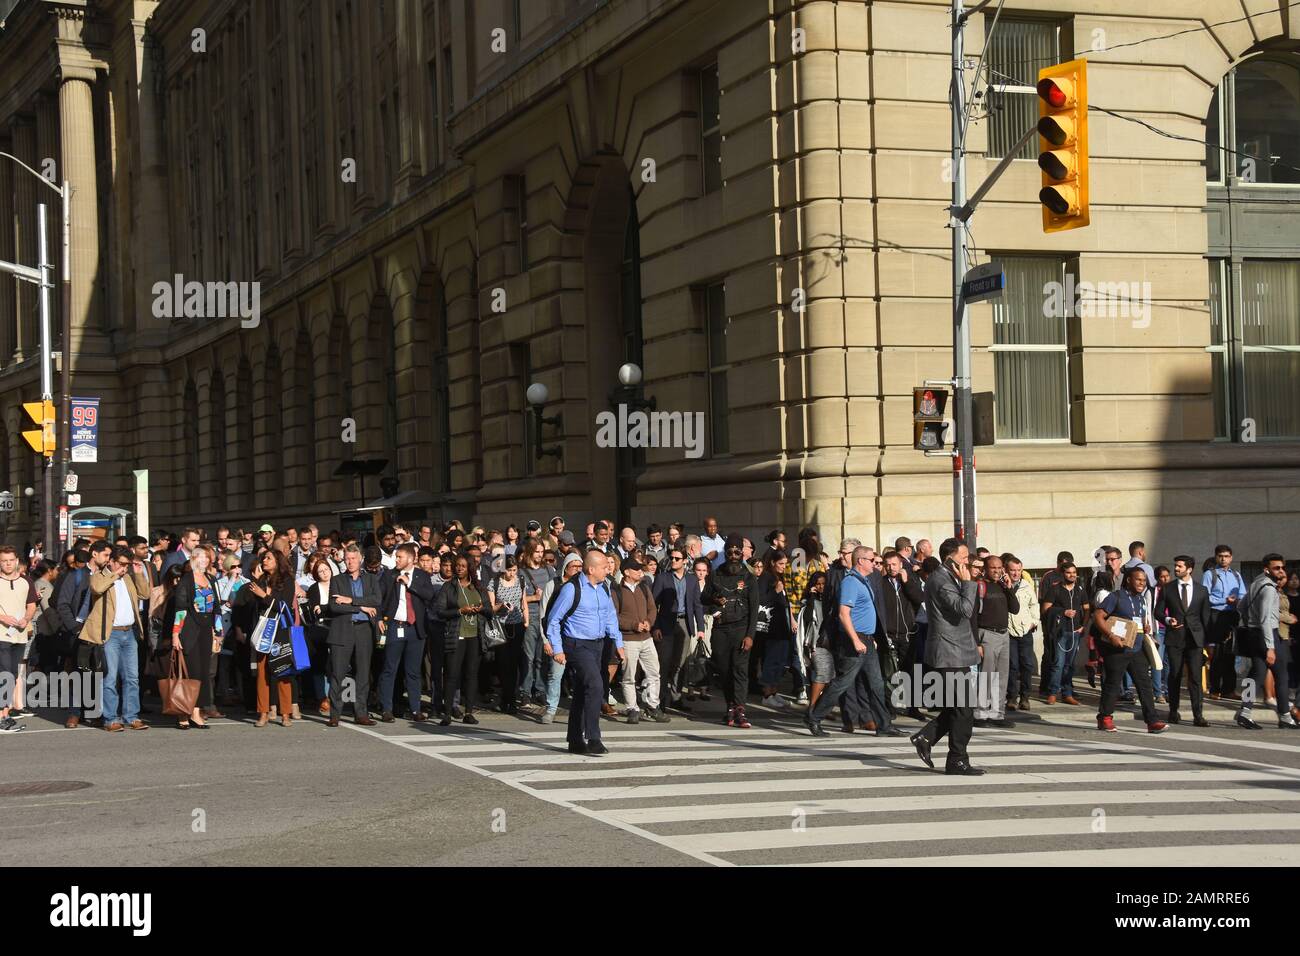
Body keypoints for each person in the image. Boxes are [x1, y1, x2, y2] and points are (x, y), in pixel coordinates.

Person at [807, 546, 902, 738]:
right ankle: (814, 717)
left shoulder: (863, 581)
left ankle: (884, 725)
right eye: (871, 560)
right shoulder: (851, 582)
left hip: (866, 640)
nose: (875, 564)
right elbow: (844, 614)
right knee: (842, 683)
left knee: (876, 684)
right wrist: (856, 640)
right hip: (854, 641)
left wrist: (871, 638)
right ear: (861, 561)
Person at [909, 538, 983, 775]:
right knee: (964, 708)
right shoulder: (942, 581)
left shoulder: (948, 578)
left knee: (958, 706)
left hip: (956, 650)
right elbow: (965, 609)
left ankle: (926, 737)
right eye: (963, 557)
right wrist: (968, 584)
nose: (967, 562)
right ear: (951, 559)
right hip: (949, 651)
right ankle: (957, 759)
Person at [545, 549, 625, 754]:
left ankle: (574, 740)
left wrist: (618, 642)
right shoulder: (571, 589)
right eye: (604, 567)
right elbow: (553, 620)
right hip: (576, 644)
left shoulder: (603, 588)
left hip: (597, 644)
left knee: (583, 691)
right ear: (591, 569)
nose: (608, 570)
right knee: (596, 686)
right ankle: (593, 737)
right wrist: (557, 648)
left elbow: (609, 616)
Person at [1092, 566, 1167, 734]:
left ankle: (1152, 721)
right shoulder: (1116, 597)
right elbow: (1098, 616)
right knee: (1113, 683)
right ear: (1128, 580)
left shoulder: (1142, 599)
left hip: (1138, 648)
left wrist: (1145, 626)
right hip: (1117, 648)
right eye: (1138, 580)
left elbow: (1136, 621)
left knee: (1144, 685)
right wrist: (1111, 636)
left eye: (1144, 580)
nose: (1142, 583)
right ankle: (1104, 718)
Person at [235, 548, 299, 727]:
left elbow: (284, 606)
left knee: (282, 672)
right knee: (262, 673)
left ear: (277, 561)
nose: (264, 561)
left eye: (268, 558)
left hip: (280, 630)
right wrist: (256, 584)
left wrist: (264, 595)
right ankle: (263, 712)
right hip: (263, 631)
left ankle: (285, 713)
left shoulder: (287, 581)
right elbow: (249, 603)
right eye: (263, 558)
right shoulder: (261, 580)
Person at [701, 537, 758, 728]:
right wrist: (715, 599)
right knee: (724, 671)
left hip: (741, 628)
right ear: (725, 553)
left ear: (742, 554)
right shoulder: (716, 574)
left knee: (740, 670)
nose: (734, 556)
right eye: (730, 552)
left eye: (737, 552)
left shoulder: (749, 577)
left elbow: (754, 607)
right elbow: (704, 597)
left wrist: (750, 635)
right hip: (721, 628)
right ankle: (730, 707)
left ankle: (740, 709)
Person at [162, 546, 221, 729]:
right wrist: (175, 634)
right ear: (193, 559)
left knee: (203, 672)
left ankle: (196, 711)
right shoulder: (186, 581)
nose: (204, 561)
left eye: (206, 558)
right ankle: (183, 712)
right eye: (200, 557)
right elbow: (180, 609)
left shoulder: (211, 579)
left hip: (205, 630)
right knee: (189, 671)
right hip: (189, 630)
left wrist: (218, 633)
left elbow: (216, 608)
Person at [377, 542, 437, 722]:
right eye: (396, 557)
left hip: (415, 629)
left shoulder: (421, 576)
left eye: (400, 557)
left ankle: (415, 709)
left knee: (413, 671)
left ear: (411, 559)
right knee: (390, 669)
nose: (396, 560)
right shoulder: (389, 575)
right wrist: (379, 618)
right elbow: (379, 598)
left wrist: (409, 583)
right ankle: (386, 708)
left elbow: (429, 596)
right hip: (395, 626)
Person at [1234, 553, 1294, 730]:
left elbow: (1241, 606)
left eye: (1282, 567)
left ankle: (1245, 712)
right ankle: (1285, 716)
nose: (1281, 571)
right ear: (1266, 569)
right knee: (1282, 675)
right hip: (1268, 635)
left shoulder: (1256, 583)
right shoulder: (1268, 588)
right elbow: (1266, 620)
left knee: (1255, 675)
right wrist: (1270, 647)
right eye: (1277, 568)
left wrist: (1249, 621)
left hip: (1254, 635)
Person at [324, 545, 381, 727]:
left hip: (364, 629)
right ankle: (335, 714)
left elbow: (376, 600)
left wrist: (352, 601)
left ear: (360, 559)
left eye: (353, 559)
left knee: (363, 674)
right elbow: (334, 606)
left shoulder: (371, 579)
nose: (350, 562)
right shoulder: (337, 580)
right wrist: (360, 607)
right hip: (342, 630)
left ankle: (361, 713)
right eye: (347, 559)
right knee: (338, 673)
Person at [1155, 555, 1211, 727]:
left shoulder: (1202, 590)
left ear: (1189, 569)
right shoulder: (1168, 588)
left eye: (1179, 566)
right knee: (1175, 675)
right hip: (1175, 638)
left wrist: (1205, 641)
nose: (1176, 569)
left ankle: (1198, 715)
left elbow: (1206, 617)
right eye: (1176, 566)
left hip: (1195, 640)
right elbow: (1157, 612)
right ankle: (1173, 711)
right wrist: (1167, 620)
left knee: (1195, 677)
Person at [435, 554, 491, 726]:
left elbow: (489, 611)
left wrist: (481, 609)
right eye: (457, 565)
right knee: (452, 674)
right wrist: (460, 611)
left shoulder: (478, 587)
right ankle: (447, 713)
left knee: (471, 675)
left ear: (469, 569)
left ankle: (469, 712)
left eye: (463, 566)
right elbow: (440, 611)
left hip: (475, 635)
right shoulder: (448, 587)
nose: (459, 568)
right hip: (456, 635)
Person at [613, 557, 669, 723]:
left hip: (646, 638)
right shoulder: (616, 591)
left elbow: (652, 608)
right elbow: (614, 617)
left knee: (654, 672)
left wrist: (649, 622)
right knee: (629, 675)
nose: (640, 571)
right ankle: (632, 708)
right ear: (626, 572)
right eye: (636, 569)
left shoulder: (644, 588)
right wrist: (633, 625)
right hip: (628, 639)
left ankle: (653, 706)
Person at [652, 545, 704, 712]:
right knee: (664, 662)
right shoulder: (662, 578)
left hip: (684, 623)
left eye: (677, 558)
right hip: (666, 624)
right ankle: (659, 700)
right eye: (671, 558)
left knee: (681, 663)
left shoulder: (692, 579)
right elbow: (653, 604)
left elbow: (697, 604)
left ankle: (676, 697)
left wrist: (700, 627)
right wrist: (655, 626)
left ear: (685, 561)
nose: (673, 561)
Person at [973, 554, 1019, 729]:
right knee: (987, 675)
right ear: (986, 568)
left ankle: (997, 714)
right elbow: (973, 617)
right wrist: (977, 642)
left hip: (1003, 635)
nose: (997, 571)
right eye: (993, 568)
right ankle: (980, 713)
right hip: (987, 634)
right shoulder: (980, 586)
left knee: (1001, 676)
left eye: (1000, 568)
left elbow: (1015, 609)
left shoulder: (1002, 586)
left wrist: (1009, 588)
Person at [537, 552, 583, 723]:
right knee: (555, 675)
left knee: (580, 675)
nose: (578, 570)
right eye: (575, 566)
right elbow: (544, 614)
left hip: (577, 638)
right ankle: (551, 709)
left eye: (580, 566)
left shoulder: (582, 585)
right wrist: (546, 640)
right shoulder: (553, 585)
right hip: (557, 638)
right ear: (566, 567)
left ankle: (579, 709)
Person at [0, 546, 37, 733]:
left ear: (16, 561)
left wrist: (26, 618)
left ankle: (5, 716)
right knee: (4, 674)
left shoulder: (26, 581)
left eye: (10, 560)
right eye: (3, 560)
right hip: (1, 635)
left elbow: (31, 605)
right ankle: (1, 717)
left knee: (12, 675)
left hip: (19, 635)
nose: (7, 563)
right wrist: (3, 617)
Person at [1040, 563, 1087, 705]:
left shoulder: (1080, 589)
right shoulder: (1055, 589)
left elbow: (1087, 608)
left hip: (1075, 632)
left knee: (1070, 664)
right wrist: (1062, 612)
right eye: (1068, 572)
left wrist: (1083, 626)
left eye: (1074, 572)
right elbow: (1045, 609)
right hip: (1060, 632)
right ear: (1062, 574)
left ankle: (1067, 693)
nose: (1072, 575)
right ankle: (1053, 692)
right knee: (1058, 663)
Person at [1203, 545, 1246, 699]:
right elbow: (1205, 596)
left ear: (1231, 557)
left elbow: (1243, 594)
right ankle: (1215, 689)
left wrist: (1237, 600)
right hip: (1217, 615)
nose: (1223, 559)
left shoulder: (1236, 575)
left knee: (1231, 653)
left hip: (1232, 615)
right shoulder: (1210, 574)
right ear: (1216, 557)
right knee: (1217, 654)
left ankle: (1229, 689)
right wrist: (1224, 600)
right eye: (1221, 556)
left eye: (1227, 556)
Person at [488, 554, 529, 715]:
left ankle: (511, 700)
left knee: (514, 664)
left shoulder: (521, 581)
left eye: (514, 570)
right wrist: (501, 606)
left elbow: (523, 601)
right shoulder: (495, 583)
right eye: (509, 570)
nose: (512, 573)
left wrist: (526, 621)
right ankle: (506, 698)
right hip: (500, 626)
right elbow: (490, 607)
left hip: (517, 625)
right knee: (503, 664)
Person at [756, 550, 796, 709]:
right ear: (772, 562)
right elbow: (761, 599)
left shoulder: (778, 577)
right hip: (771, 626)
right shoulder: (766, 577)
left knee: (780, 661)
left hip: (782, 624)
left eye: (785, 564)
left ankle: (774, 691)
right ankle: (767, 693)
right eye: (780, 563)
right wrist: (776, 591)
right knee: (772, 660)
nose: (783, 567)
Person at [1004, 554, 1039, 712]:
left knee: (1027, 664)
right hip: (1008, 631)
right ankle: (1011, 697)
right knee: (1012, 665)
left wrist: (1034, 621)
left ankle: (1025, 698)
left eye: (1018, 570)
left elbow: (1034, 604)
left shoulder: (1027, 585)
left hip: (1025, 630)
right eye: (1012, 570)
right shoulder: (1002, 585)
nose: (1016, 573)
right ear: (1007, 570)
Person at [798, 571, 830, 712]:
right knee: (819, 674)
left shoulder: (831, 599)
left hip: (831, 641)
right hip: (816, 643)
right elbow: (808, 617)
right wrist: (811, 596)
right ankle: (813, 707)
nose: (821, 587)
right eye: (818, 584)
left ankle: (819, 707)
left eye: (823, 584)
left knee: (828, 677)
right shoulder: (809, 600)